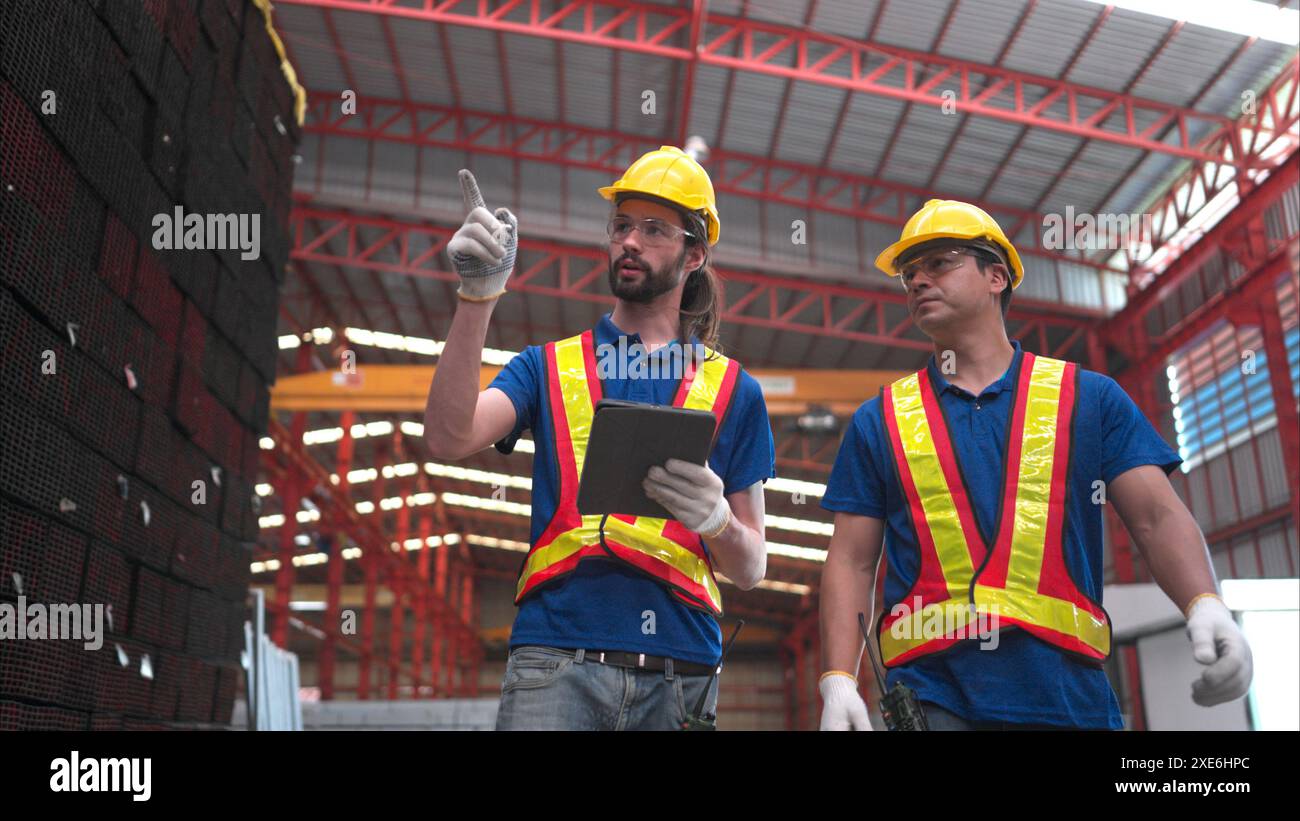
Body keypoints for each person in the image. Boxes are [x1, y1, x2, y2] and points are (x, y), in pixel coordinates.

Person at [817, 199, 1254, 730]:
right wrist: (838, 680)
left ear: (996, 276)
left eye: (939, 263)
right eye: (909, 273)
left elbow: (1156, 517)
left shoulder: (1089, 398)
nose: (917, 282)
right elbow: (851, 561)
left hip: (1071, 699)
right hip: (935, 700)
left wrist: (1204, 603)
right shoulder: (879, 421)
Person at [424, 147, 776, 730]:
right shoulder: (546, 367)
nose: (630, 241)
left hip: (679, 669)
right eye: (621, 226)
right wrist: (477, 297)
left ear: (694, 253)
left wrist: (718, 521)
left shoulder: (736, 390)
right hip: (555, 658)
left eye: (654, 230)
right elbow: (448, 436)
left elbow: (753, 567)